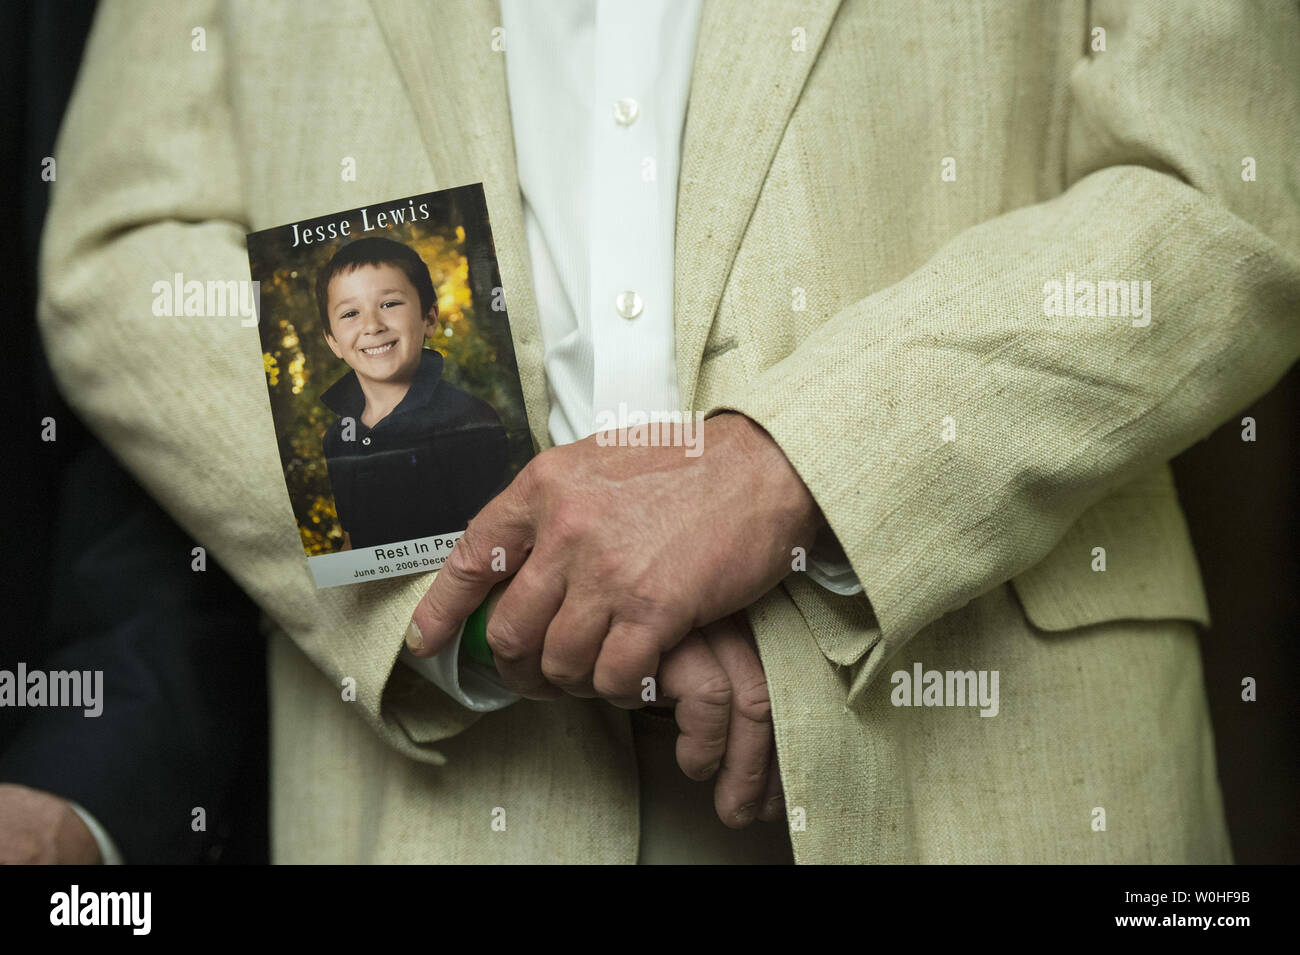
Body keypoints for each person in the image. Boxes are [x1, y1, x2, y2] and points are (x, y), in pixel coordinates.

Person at [37, 0, 1299, 863]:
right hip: (452, 786)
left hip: (990, 755)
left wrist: (793, 462)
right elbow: (133, 246)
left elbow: (1229, 182)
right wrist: (516, 579)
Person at [315, 237, 510, 549]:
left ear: (429, 319)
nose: (372, 325)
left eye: (389, 304)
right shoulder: (338, 437)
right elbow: (353, 539)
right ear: (333, 342)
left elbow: (494, 541)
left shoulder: (469, 421)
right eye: (350, 313)